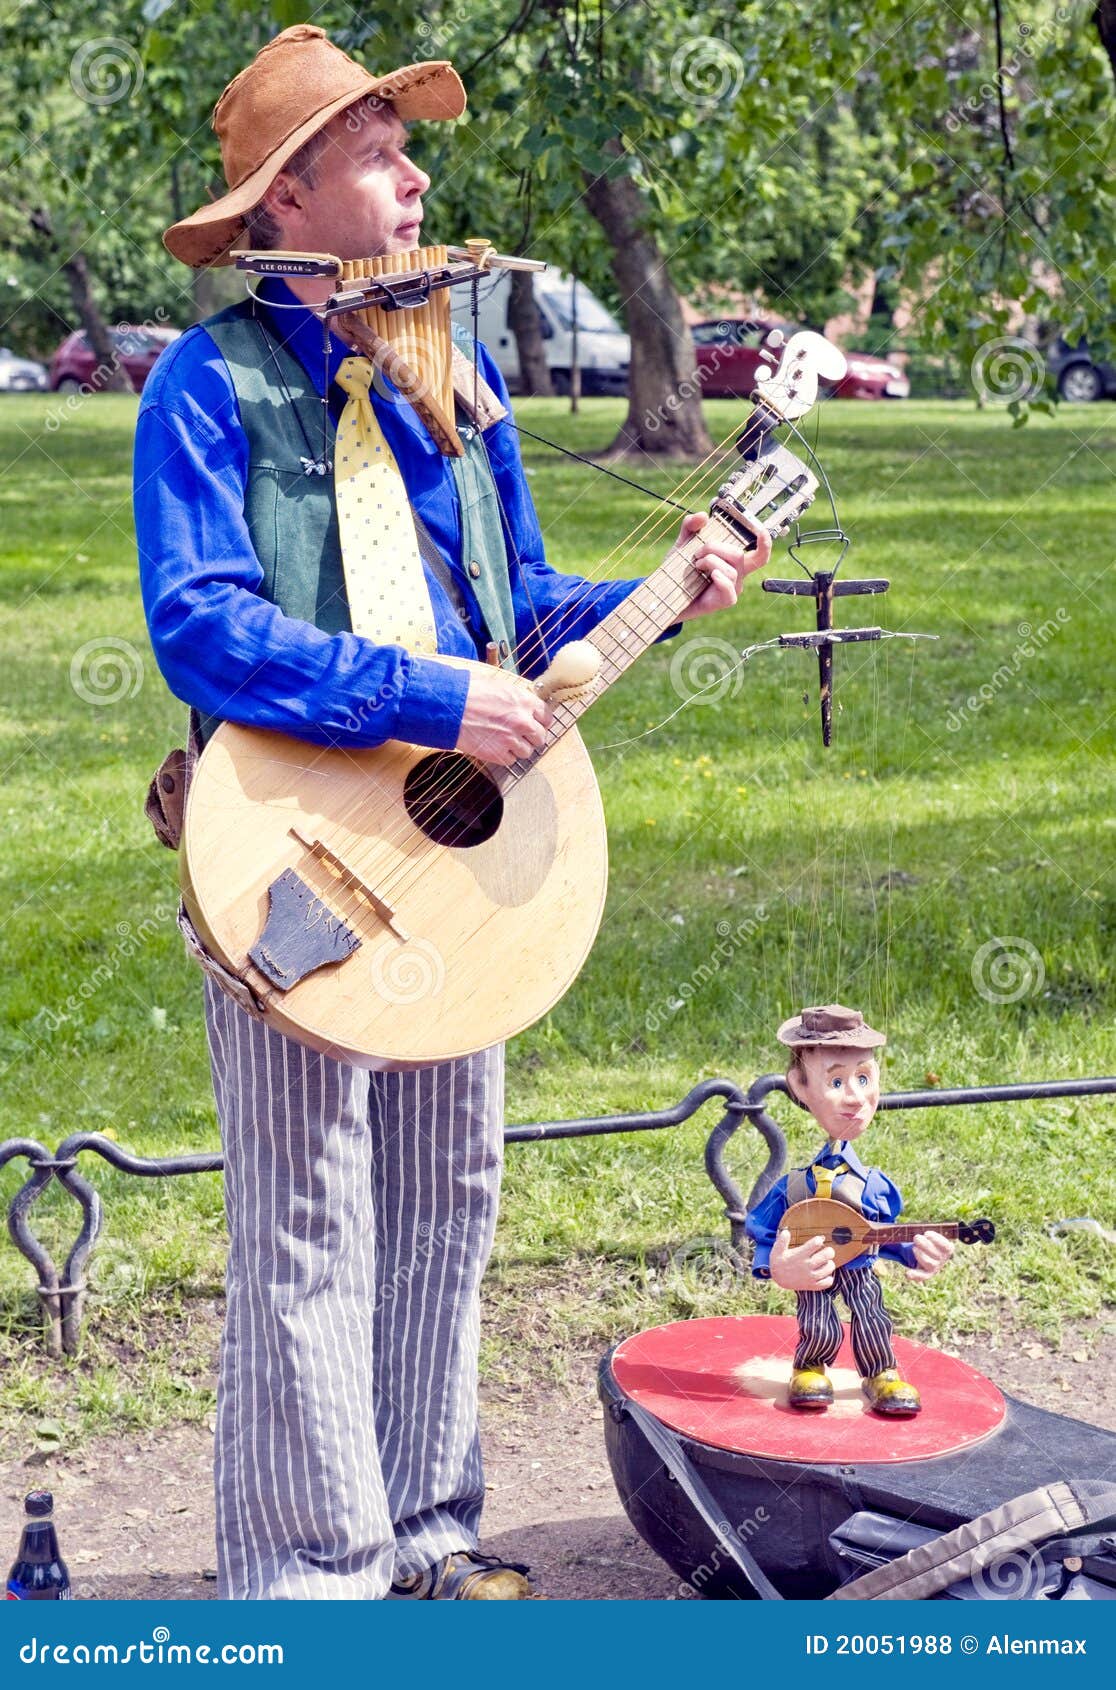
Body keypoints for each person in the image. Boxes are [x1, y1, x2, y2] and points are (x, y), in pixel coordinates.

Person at [135, 23, 769, 1601]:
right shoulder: (205, 391)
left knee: (446, 1186)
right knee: (305, 1210)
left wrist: (667, 593)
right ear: (286, 206)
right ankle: (306, 1572)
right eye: (379, 155)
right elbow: (200, 624)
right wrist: (430, 702)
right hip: (286, 853)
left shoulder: (456, 379)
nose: (419, 181)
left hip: (455, 859)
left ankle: (423, 1531)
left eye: (412, 156)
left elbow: (525, 609)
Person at [746, 1004, 954, 1416]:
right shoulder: (794, 1186)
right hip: (813, 1272)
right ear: (800, 1087)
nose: (856, 1097)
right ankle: (810, 1366)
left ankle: (881, 1372)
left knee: (870, 1314)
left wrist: (918, 1252)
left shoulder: (874, 1185)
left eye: (864, 1077)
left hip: (860, 1268)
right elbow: (765, 1234)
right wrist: (777, 1267)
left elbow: (882, 1232)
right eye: (837, 1081)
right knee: (817, 1318)